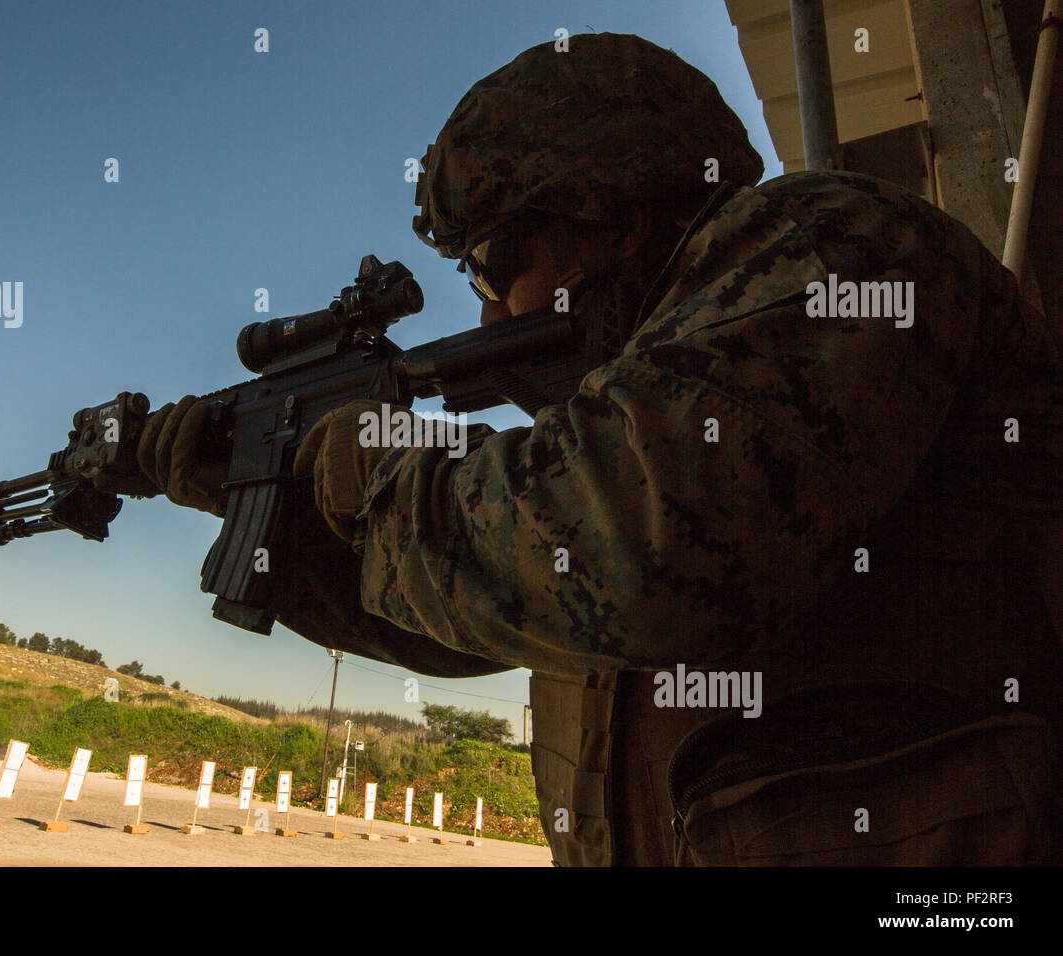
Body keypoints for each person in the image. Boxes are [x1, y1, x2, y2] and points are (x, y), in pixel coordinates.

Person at [138, 33, 1063, 865]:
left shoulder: (834, 243)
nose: (488, 315)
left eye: (496, 267)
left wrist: (375, 475)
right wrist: (276, 524)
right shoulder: (621, 410)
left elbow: (643, 552)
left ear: (607, 211)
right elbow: (499, 626)